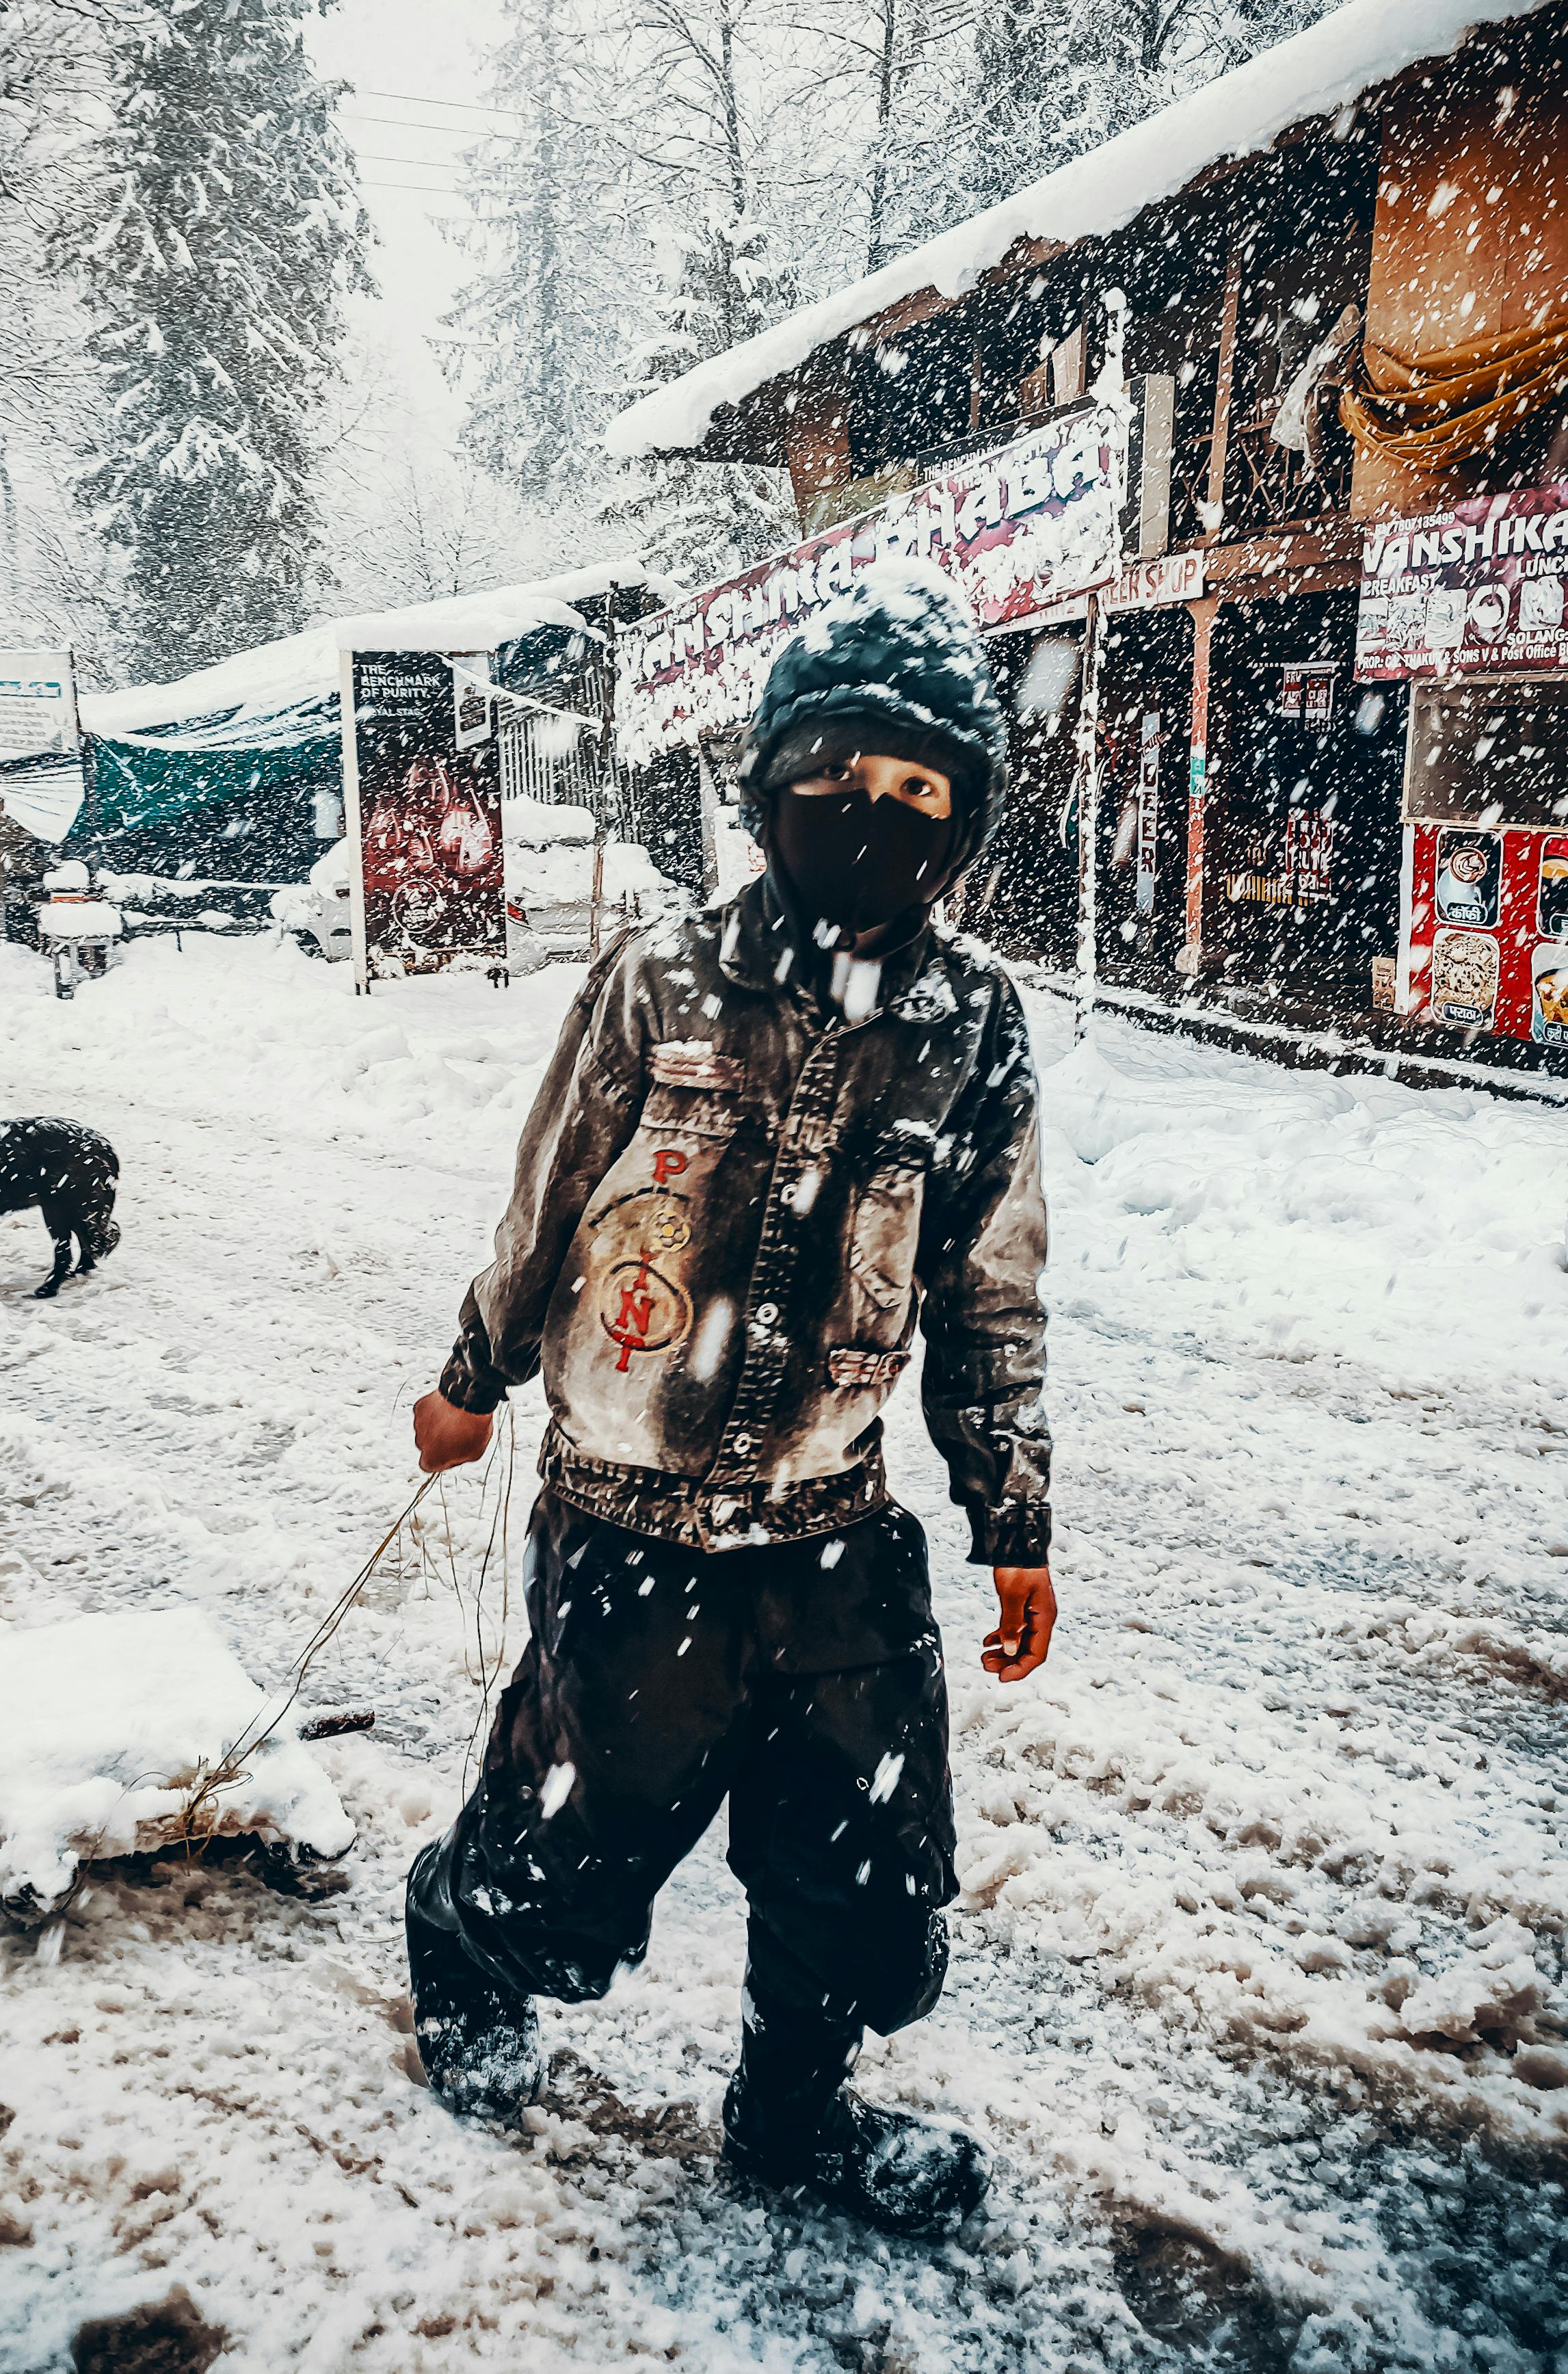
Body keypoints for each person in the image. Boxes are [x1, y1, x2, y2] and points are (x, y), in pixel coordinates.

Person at [406, 564, 1055, 2235]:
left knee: (856, 1866)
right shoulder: (659, 978)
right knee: (576, 1846)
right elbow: (549, 1194)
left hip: (835, 1528)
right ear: (771, 783)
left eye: (923, 789)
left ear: (964, 820)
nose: (876, 811)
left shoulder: (972, 1026)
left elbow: (988, 1285)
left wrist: (1015, 1512)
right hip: (629, 1520)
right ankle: (464, 1949)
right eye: (842, 769)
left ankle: (793, 2117)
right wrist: (473, 1371)